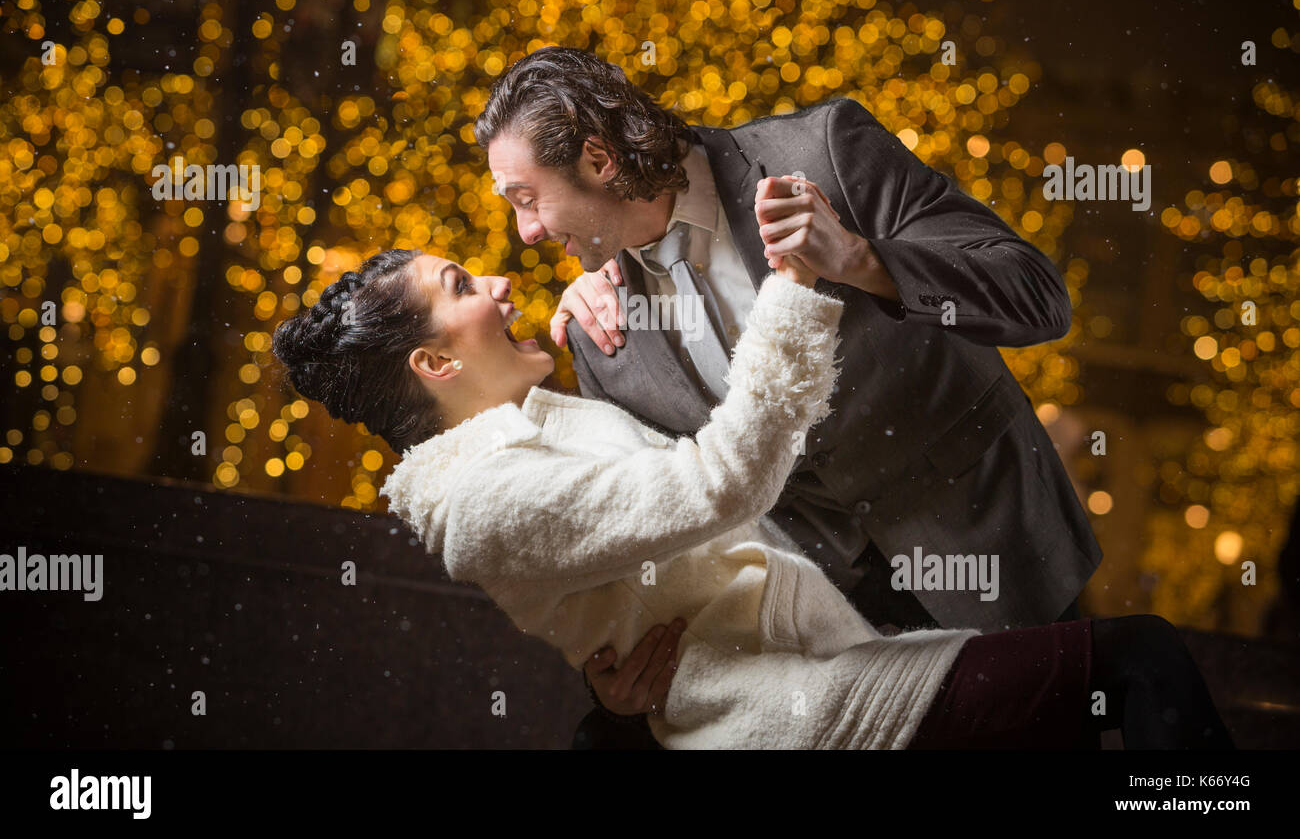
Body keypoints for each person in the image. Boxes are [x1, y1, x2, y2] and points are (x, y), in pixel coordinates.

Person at [270, 245, 1234, 749]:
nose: (501, 277)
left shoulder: (519, 434)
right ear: (436, 361)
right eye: (462, 284)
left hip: (817, 668)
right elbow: (715, 482)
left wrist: (604, 308)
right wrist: (794, 282)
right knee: (1140, 664)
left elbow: (625, 518)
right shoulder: (483, 500)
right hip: (791, 716)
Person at [472, 45, 1104, 744]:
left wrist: (863, 261)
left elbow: (1039, 298)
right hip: (834, 656)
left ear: (598, 159)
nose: (525, 233)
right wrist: (607, 675)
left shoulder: (826, 147)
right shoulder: (598, 332)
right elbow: (649, 533)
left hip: (996, 562)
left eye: (527, 200)